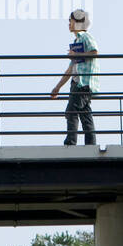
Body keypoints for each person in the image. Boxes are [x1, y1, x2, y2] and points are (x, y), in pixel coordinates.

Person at [50, 9, 98, 145]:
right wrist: (57, 87)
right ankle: (91, 144)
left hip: (83, 83)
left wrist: (77, 55)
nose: (69, 24)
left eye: (70, 21)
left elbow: (94, 52)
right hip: (79, 82)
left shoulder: (85, 36)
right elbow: (71, 69)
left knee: (71, 111)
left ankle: (71, 142)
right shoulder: (77, 41)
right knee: (85, 114)